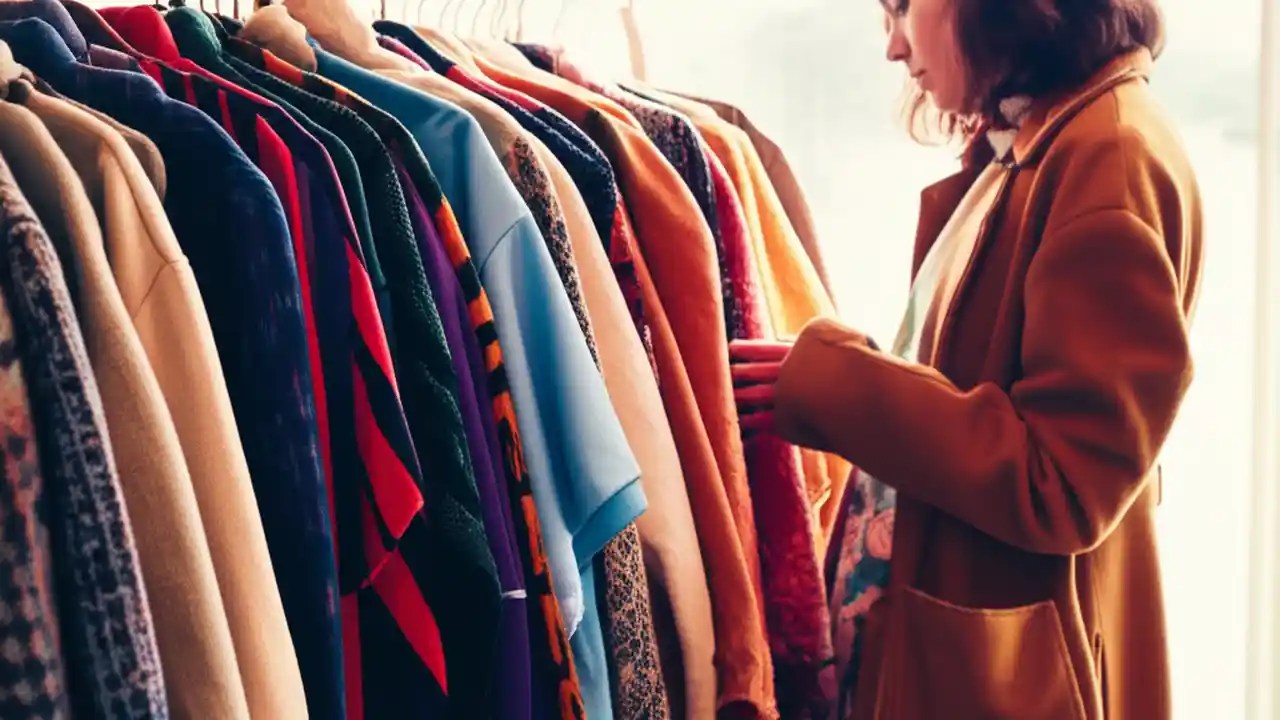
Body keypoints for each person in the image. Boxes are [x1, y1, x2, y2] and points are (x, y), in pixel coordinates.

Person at [730, 0, 1202, 718]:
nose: (894, 47)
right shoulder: (1045, 138)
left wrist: (842, 385)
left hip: (1008, 672)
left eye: (902, 8)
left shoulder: (1106, 158)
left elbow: (1065, 481)